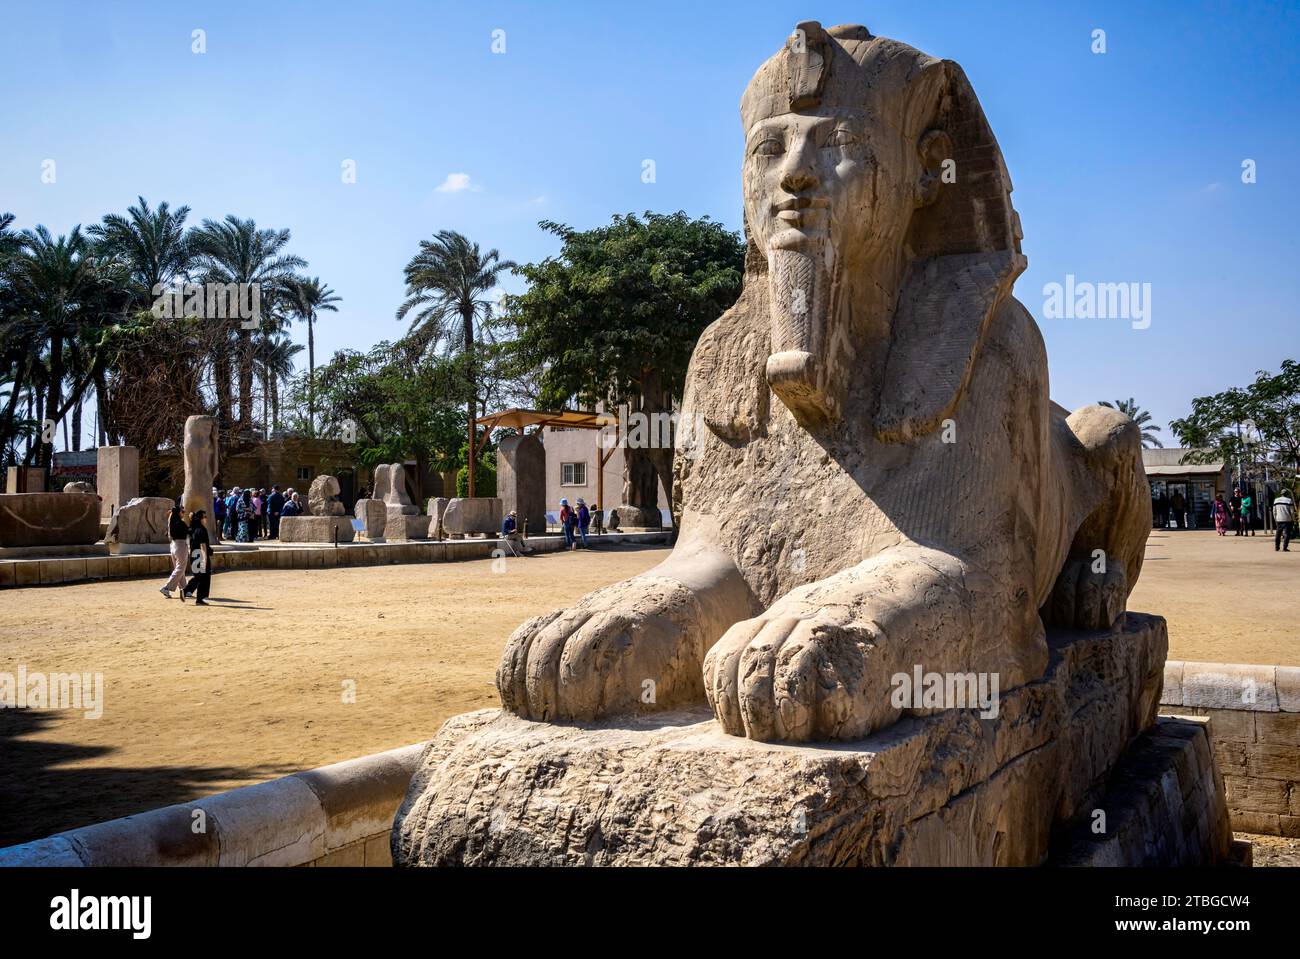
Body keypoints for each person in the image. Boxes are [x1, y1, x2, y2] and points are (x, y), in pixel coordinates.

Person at [183, 509, 213, 605]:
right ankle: (199, 599)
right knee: (203, 577)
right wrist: (205, 560)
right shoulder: (202, 530)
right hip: (200, 555)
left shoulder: (193, 529)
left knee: (198, 577)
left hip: (194, 554)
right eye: (205, 517)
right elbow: (203, 545)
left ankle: (185, 591)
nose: (206, 519)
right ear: (200, 519)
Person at [161, 503, 191, 598]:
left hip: (173, 545)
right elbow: (189, 531)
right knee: (180, 568)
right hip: (180, 545)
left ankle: (184, 589)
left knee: (179, 569)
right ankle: (166, 587)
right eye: (182, 512)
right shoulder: (179, 523)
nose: (184, 513)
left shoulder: (172, 522)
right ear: (178, 513)